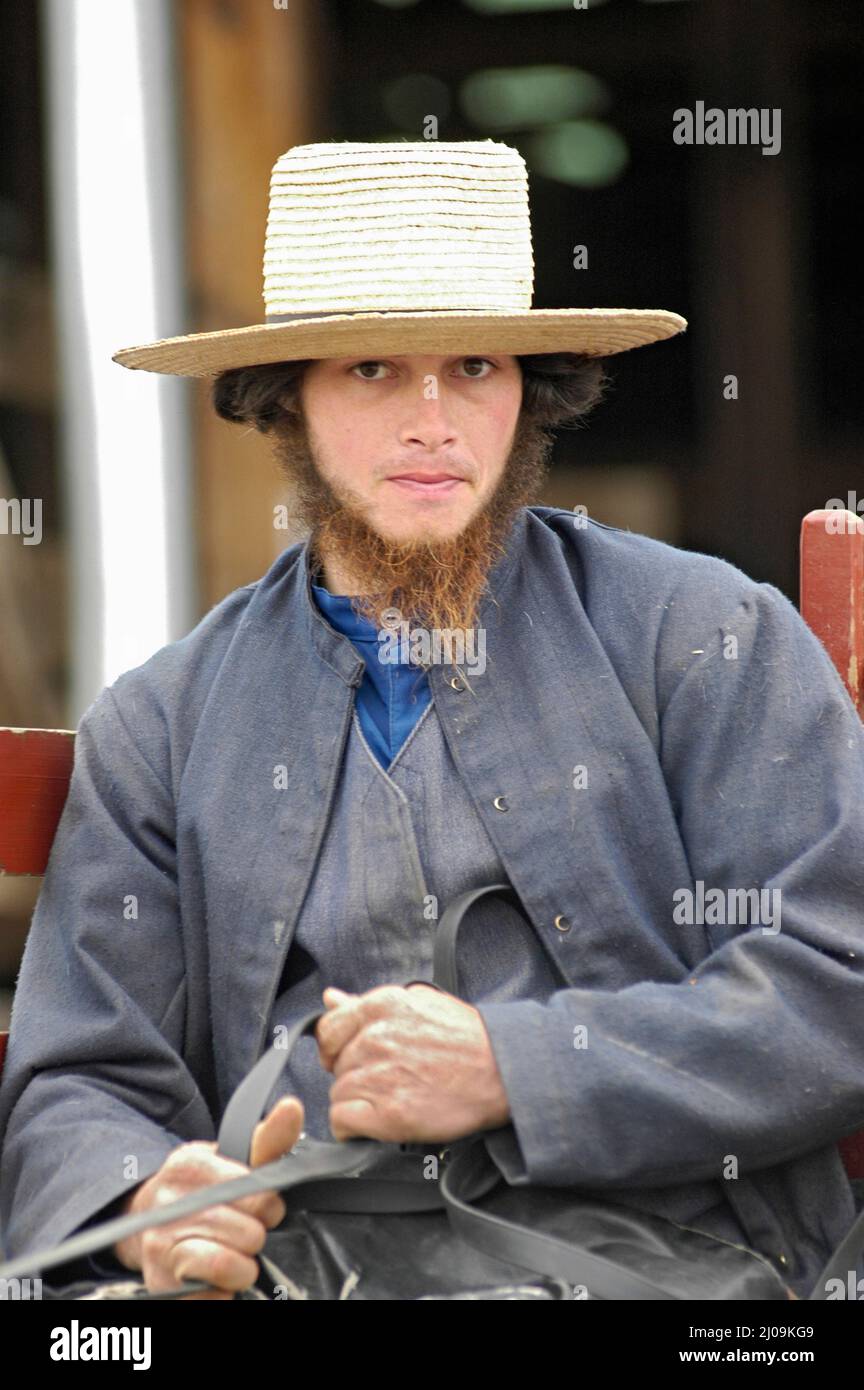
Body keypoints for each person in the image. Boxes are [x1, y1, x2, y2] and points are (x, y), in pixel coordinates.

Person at [1, 140, 864, 1302]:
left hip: (671, 1263)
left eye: (471, 363)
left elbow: (835, 982)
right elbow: (80, 1078)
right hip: (298, 1271)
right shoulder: (163, 721)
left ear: (530, 385)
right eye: (370, 369)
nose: (431, 419)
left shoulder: (703, 634)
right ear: (287, 396)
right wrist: (150, 1204)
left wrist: (519, 1066)